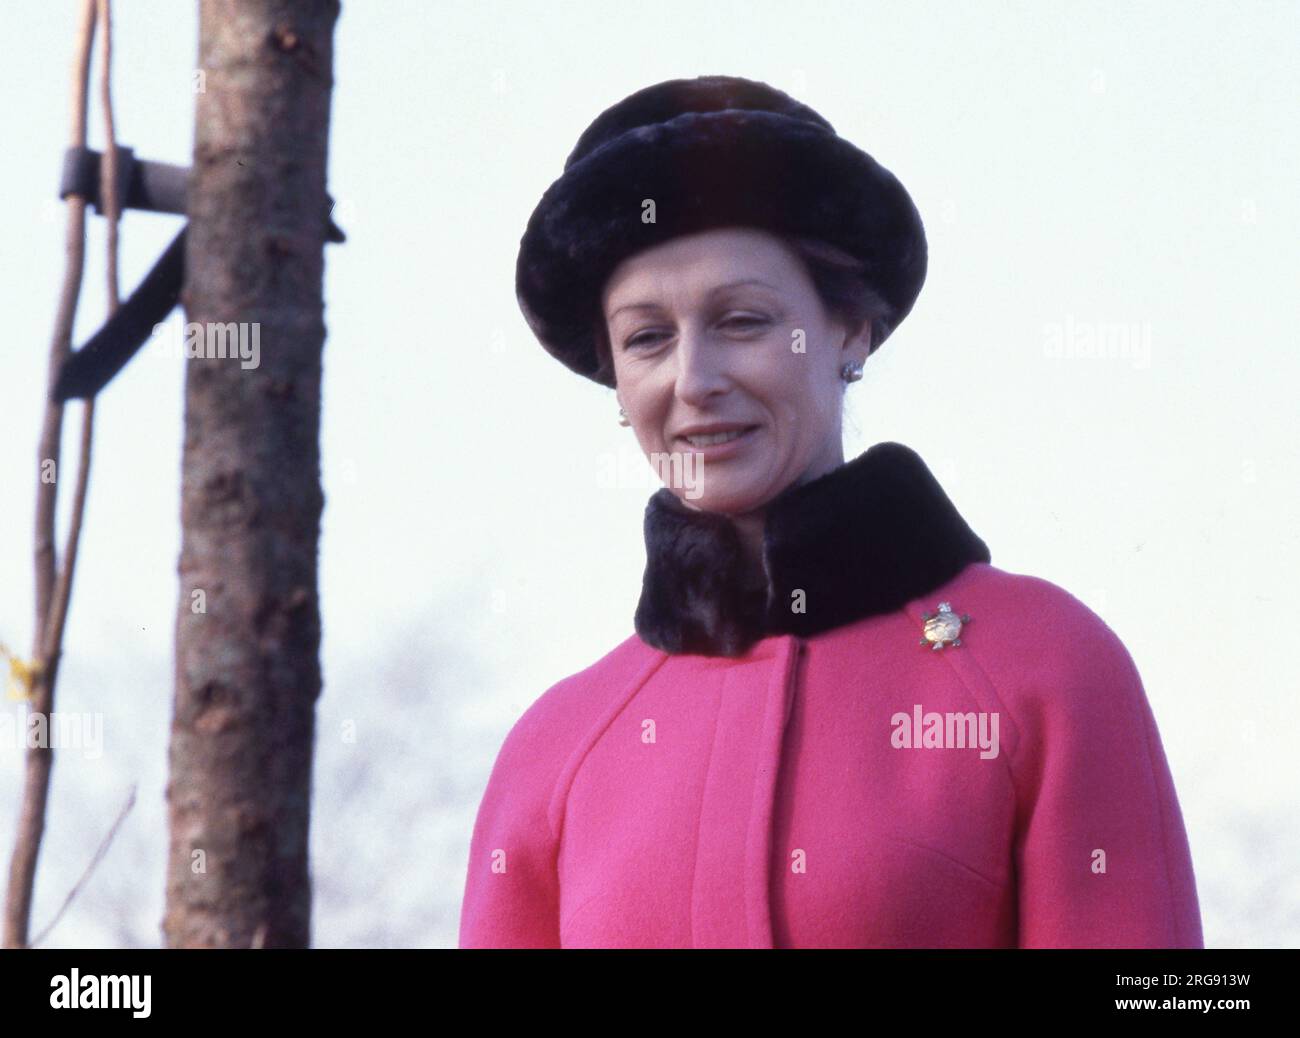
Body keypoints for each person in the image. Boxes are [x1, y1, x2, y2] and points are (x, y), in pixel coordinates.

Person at [458, 75, 1204, 948]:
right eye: (647, 337)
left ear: (852, 329)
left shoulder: (1048, 667)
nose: (694, 381)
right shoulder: (554, 749)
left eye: (741, 320)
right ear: (617, 379)